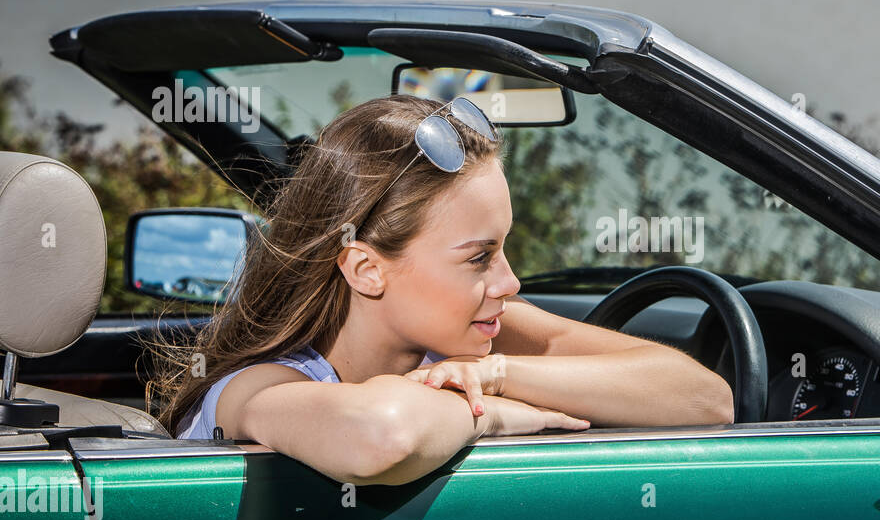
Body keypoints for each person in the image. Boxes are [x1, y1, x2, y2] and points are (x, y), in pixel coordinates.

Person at [149, 94, 734, 485]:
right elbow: (384, 434)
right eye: (478, 256)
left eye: (504, 248)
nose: (510, 282)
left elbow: (705, 400)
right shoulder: (257, 388)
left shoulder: (474, 344)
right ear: (366, 269)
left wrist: (498, 375)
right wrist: (492, 414)